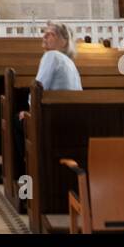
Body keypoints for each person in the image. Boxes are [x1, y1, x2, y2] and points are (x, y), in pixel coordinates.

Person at [15, 22, 81, 173]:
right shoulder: (69, 62)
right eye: (45, 32)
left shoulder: (52, 56)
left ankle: (26, 176)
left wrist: (30, 113)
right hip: (69, 119)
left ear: (64, 41)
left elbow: (38, 88)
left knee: (16, 120)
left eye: (51, 34)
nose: (44, 36)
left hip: (52, 120)